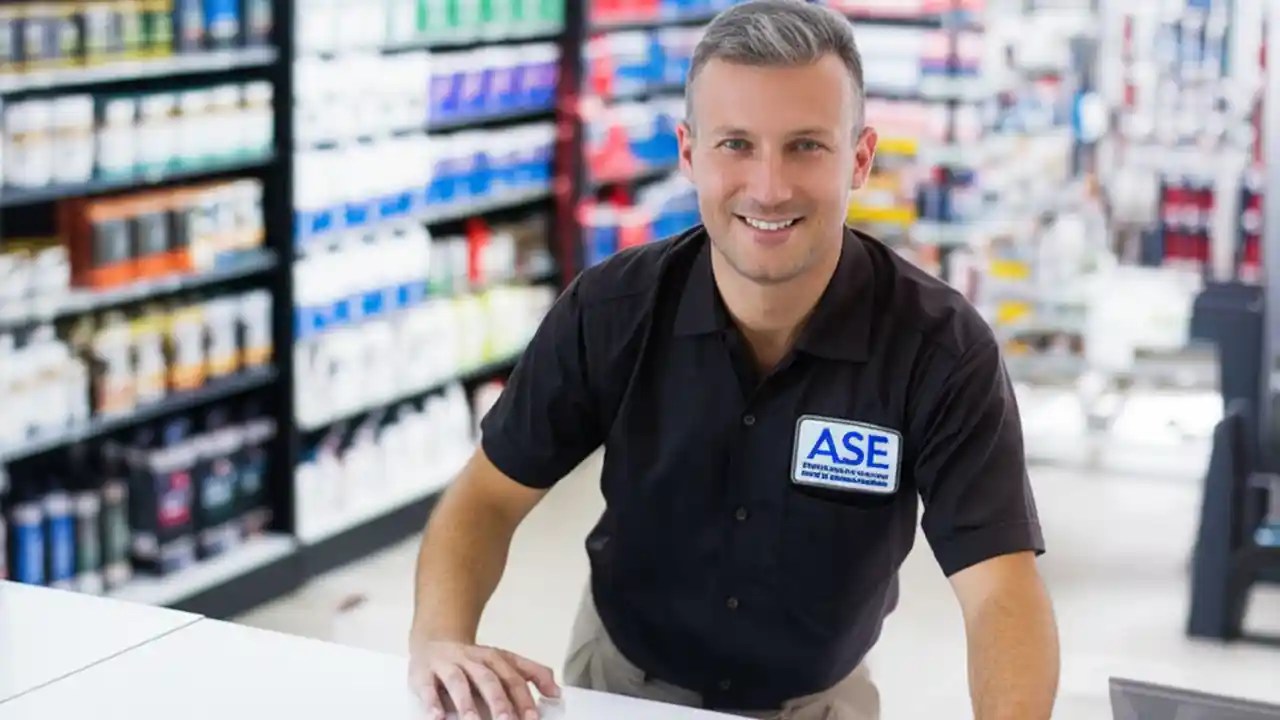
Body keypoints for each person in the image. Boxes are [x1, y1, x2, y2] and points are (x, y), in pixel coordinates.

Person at [407, 1, 1061, 718]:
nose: (770, 187)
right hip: (623, 686)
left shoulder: (941, 352)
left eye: (806, 145)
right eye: (736, 145)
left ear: (861, 159)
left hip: (820, 701)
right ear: (690, 154)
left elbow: (1000, 591)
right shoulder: (612, 311)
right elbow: (486, 499)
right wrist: (440, 641)